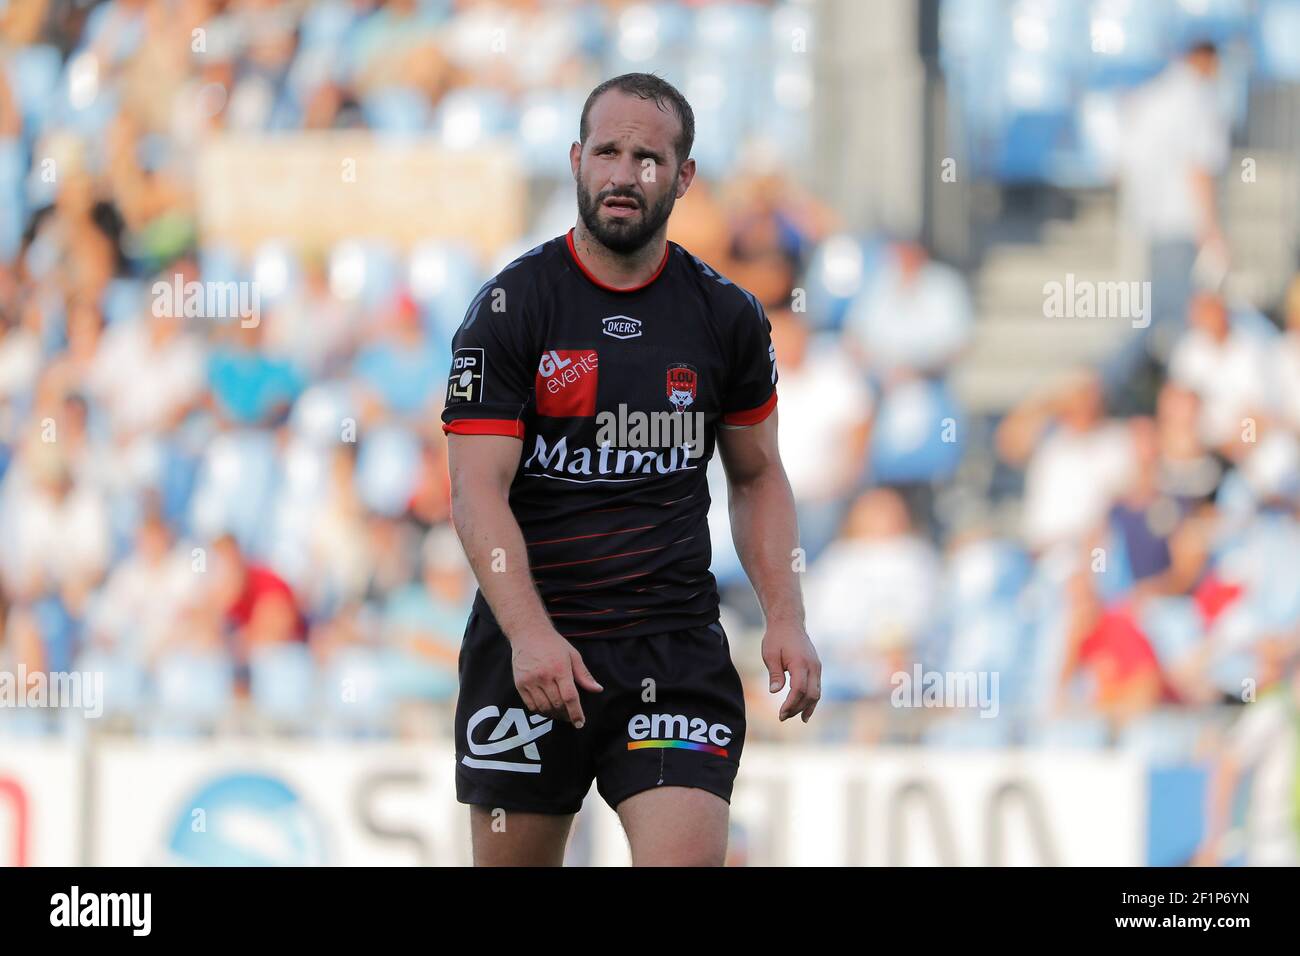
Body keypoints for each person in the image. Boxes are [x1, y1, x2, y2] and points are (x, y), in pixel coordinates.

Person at [442, 73, 820, 867]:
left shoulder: (726, 317)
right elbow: (477, 487)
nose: (623, 174)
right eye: (607, 152)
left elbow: (757, 477)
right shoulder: (512, 308)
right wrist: (530, 633)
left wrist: (784, 613)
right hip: (532, 642)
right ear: (578, 159)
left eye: (648, 158)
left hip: (671, 647)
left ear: (682, 177)